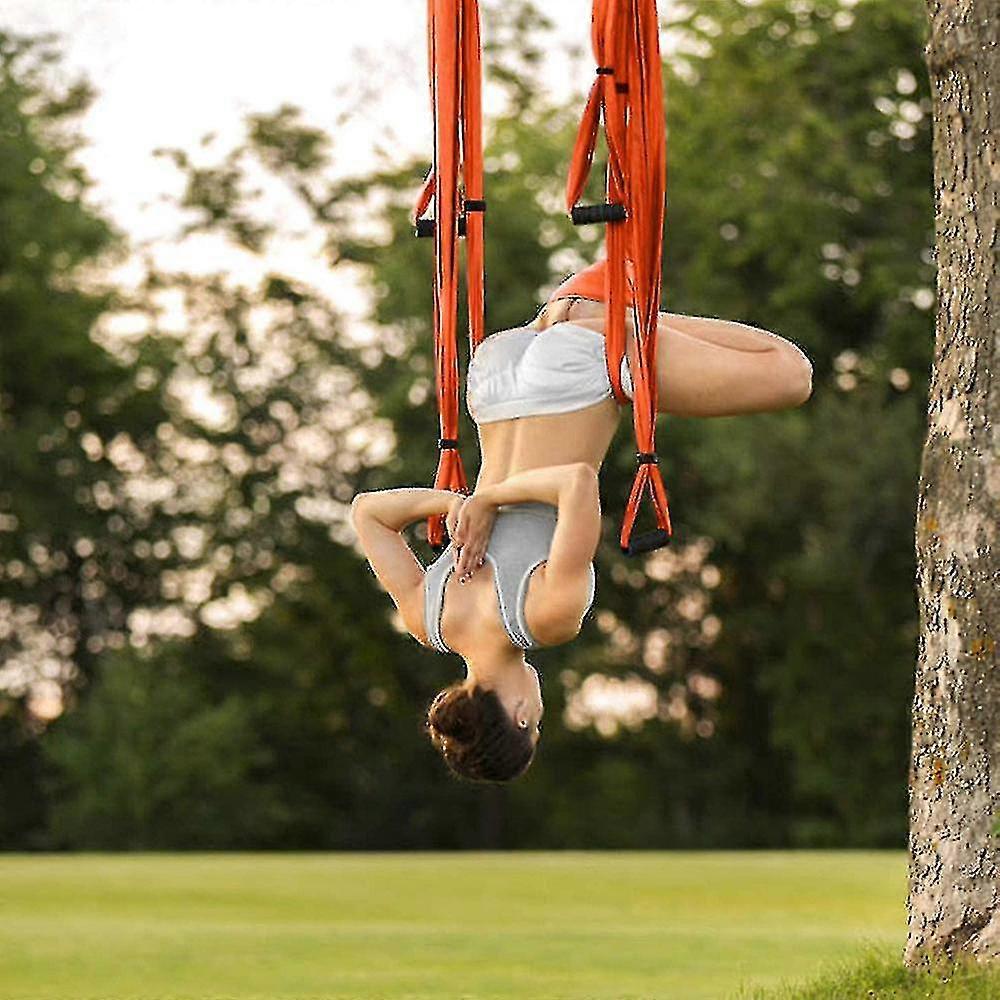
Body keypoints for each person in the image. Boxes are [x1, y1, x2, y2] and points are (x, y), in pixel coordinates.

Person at [350, 257, 813, 783]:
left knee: (790, 374)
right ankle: (579, 312)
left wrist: (483, 500)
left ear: (520, 717)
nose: (540, 711)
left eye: (537, 725)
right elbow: (369, 513)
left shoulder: (545, 619)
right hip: (495, 373)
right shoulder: (427, 619)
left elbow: (576, 482)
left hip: (576, 372)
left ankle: (609, 317)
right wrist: (455, 503)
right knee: (633, 246)